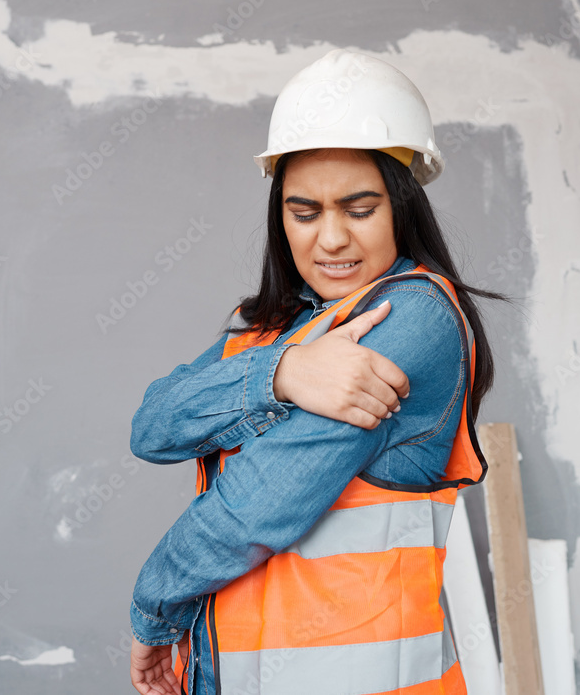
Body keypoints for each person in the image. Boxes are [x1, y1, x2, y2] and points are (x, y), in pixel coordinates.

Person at [128, 49, 502, 695]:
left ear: (402, 207)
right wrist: (282, 372)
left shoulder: (411, 319)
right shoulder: (268, 328)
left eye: (359, 209)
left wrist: (154, 607)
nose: (330, 239)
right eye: (305, 212)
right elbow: (153, 425)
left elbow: (260, 498)